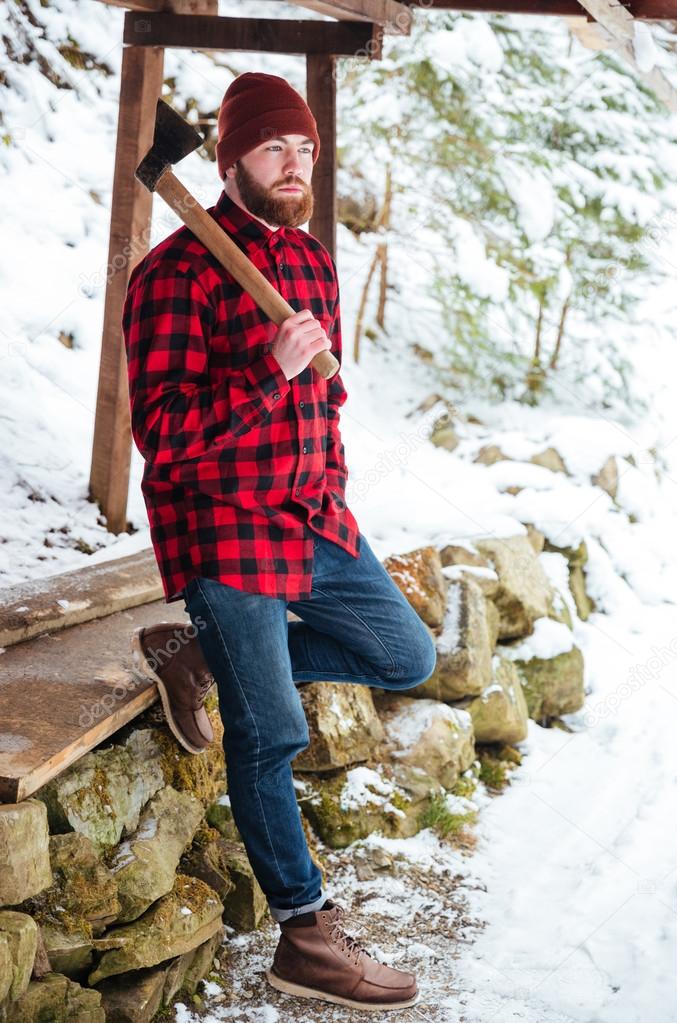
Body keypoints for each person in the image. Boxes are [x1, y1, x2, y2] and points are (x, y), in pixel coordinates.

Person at [123, 71, 437, 1011]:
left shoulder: (309, 262)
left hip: (312, 515)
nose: (296, 166)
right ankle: (305, 935)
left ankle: (201, 657)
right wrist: (269, 369)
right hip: (226, 529)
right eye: (274, 149)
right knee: (273, 731)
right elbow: (166, 434)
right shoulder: (171, 276)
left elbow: (324, 403)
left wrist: (326, 465)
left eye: (304, 149)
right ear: (228, 162)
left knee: (405, 652)